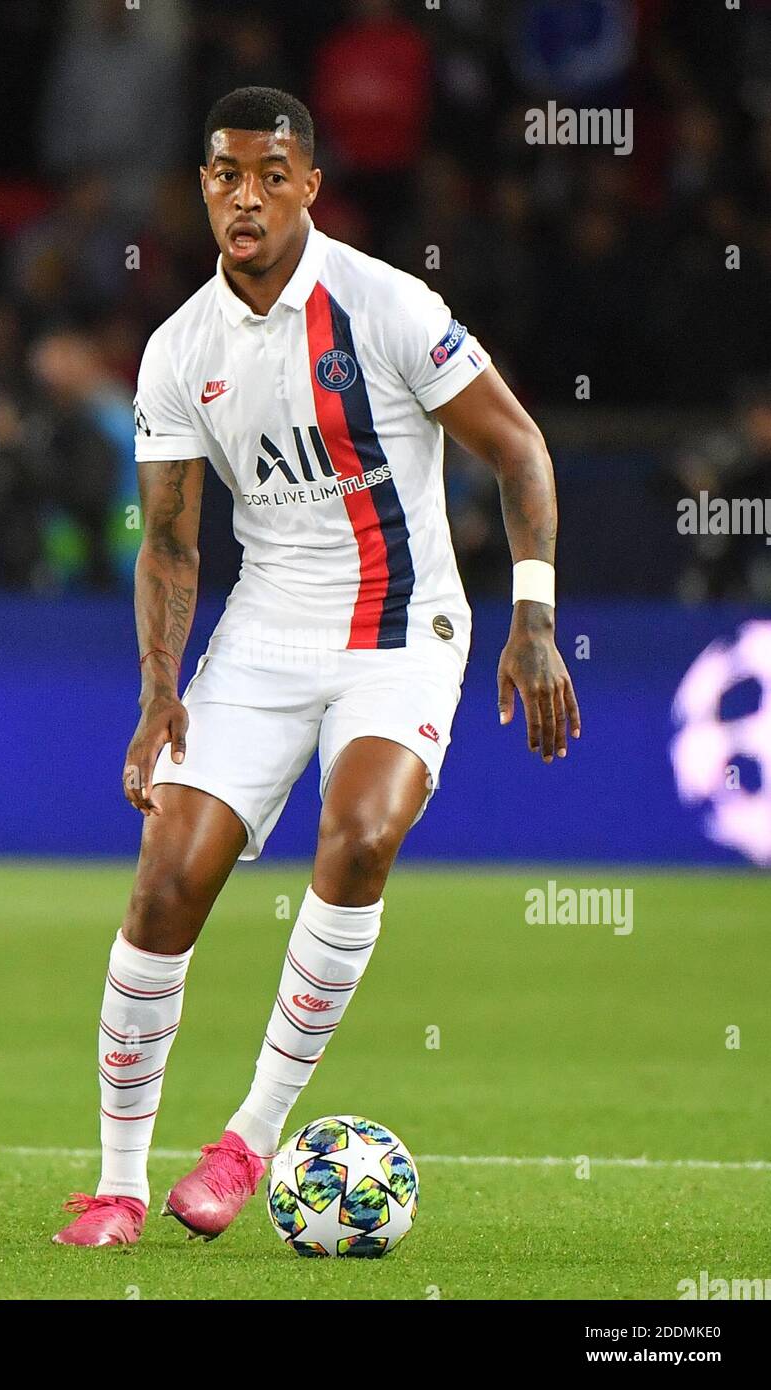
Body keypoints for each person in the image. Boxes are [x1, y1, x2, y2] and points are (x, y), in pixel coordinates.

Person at [53, 87, 580, 1248]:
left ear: (307, 185)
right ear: (202, 188)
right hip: (264, 637)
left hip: (403, 632)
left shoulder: (386, 305)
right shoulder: (177, 349)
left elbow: (519, 448)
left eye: (268, 172)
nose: (244, 194)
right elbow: (174, 541)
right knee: (164, 881)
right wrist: (158, 689)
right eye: (223, 174)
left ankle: (247, 1140)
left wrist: (530, 618)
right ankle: (119, 1184)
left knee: (358, 835)